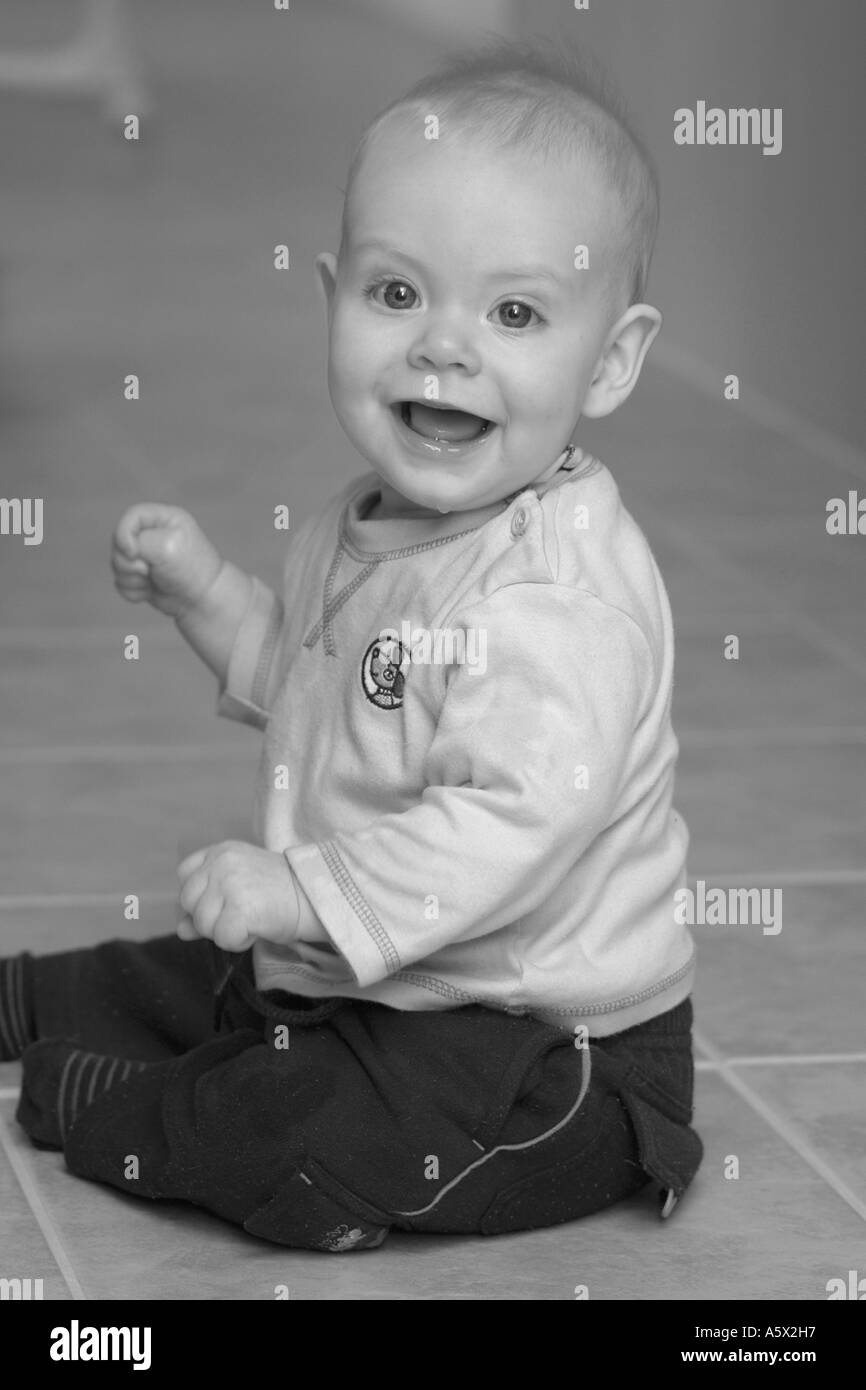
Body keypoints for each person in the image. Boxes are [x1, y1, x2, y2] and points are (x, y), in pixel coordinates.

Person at [2, 40, 702, 1252]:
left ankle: (141, 1113)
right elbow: (316, 682)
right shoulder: (368, 525)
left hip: (537, 1049)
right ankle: (35, 1000)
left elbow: (505, 827)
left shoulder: (551, 600)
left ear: (613, 358)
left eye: (516, 312)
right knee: (203, 970)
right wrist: (206, 592)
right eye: (394, 294)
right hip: (368, 966)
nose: (443, 345)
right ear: (329, 292)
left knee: (306, 1122)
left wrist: (300, 886)